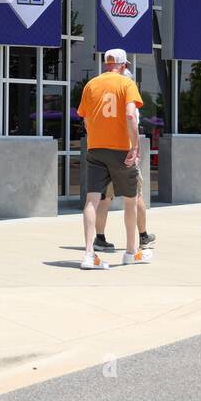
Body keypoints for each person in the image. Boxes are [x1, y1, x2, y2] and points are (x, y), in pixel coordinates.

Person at [76, 48, 153, 270]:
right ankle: (130, 253)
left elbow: (86, 119)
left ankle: (89, 254)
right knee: (130, 201)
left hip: (95, 148)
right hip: (121, 149)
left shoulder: (91, 85)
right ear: (123, 65)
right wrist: (135, 146)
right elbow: (130, 115)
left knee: (92, 200)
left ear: (106, 63)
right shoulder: (126, 84)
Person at [91, 59, 155, 253]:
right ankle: (142, 237)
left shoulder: (98, 88)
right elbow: (131, 119)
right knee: (135, 197)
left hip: (101, 150)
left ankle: (99, 238)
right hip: (123, 151)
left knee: (103, 199)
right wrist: (135, 148)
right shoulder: (127, 91)